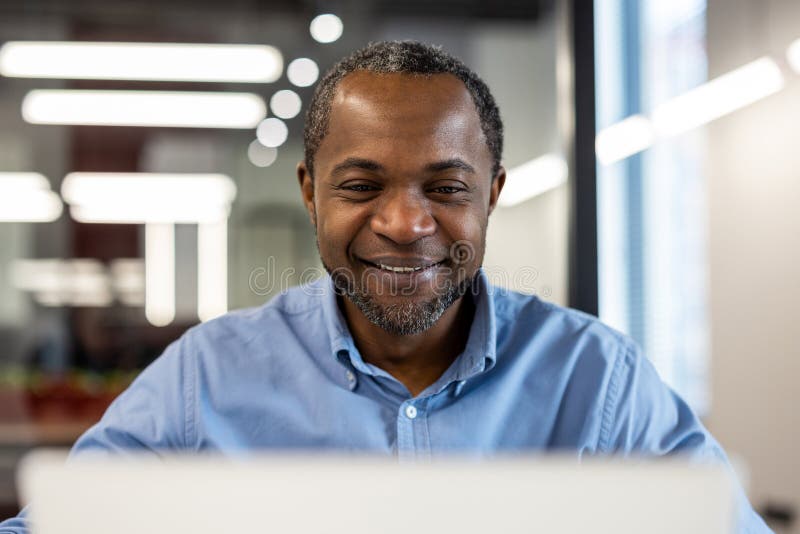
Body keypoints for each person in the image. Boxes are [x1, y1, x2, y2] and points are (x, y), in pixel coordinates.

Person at [0, 41, 770, 533]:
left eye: (446, 187)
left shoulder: (598, 382)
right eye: (363, 184)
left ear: (492, 195)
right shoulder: (205, 380)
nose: (405, 224)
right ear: (310, 193)